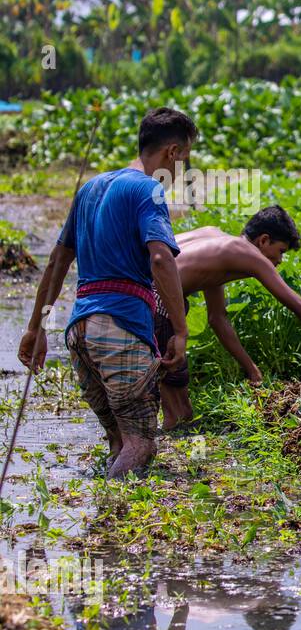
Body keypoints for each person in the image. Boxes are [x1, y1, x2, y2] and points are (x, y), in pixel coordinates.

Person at [18, 107, 193, 477]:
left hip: (79, 332)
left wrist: (36, 329)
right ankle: (109, 516)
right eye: (185, 161)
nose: (181, 173)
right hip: (121, 328)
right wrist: (179, 329)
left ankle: (98, 518)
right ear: (172, 153)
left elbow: (56, 263)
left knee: (119, 440)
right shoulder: (149, 190)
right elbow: (161, 258)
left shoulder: (90, 188)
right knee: (141, 443)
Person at [155, 205, 301, 430]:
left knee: (183, 411)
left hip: (133, 289)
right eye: (281, 251)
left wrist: (252, 369)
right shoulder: (247, 253)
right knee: (176, 414)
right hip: (155, 298)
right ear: (264, 240)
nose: (280, 260)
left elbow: (217, 318)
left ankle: (164, 442)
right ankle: (157, 451)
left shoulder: (218, 241)